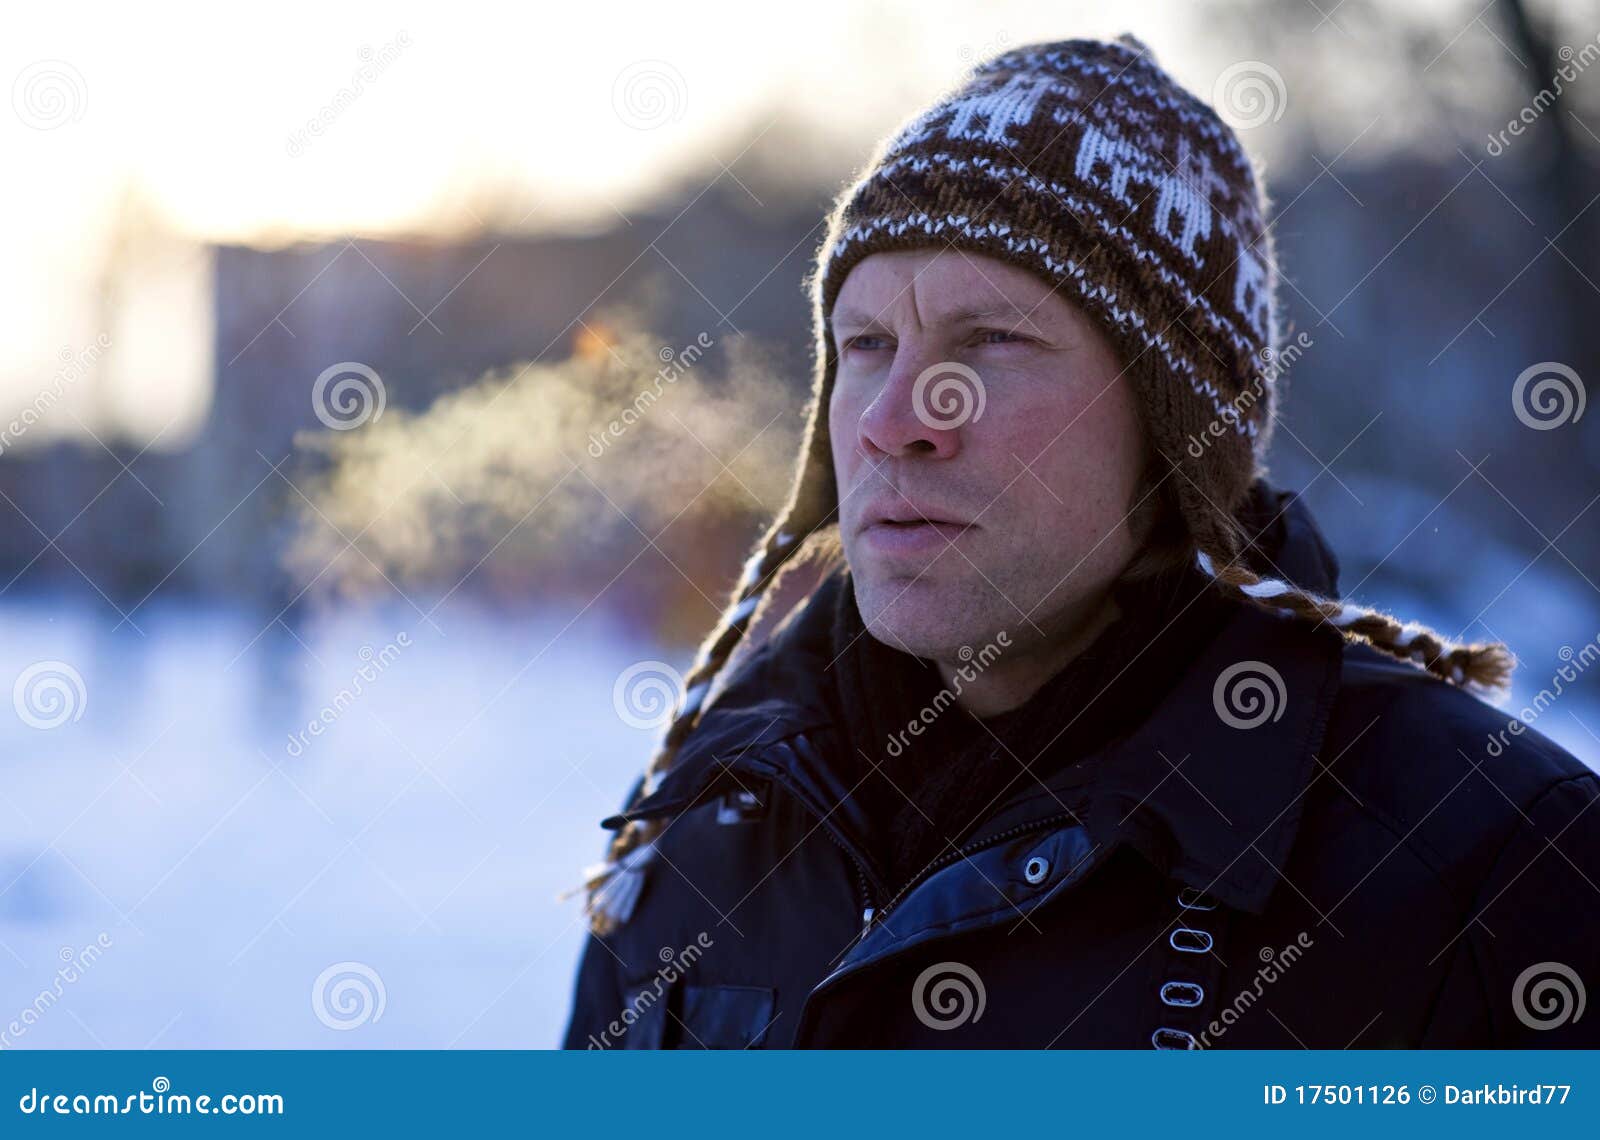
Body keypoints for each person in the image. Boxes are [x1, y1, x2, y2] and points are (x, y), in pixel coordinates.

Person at [562, 34, 1600, 1048]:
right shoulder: (709, 822)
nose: (891, 420)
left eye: (992, 341)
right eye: (866, 345)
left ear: (1173, 437)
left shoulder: (1492, 872)